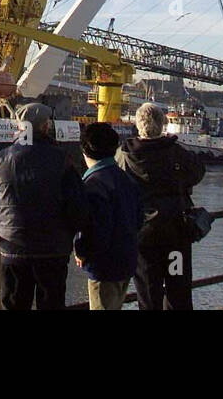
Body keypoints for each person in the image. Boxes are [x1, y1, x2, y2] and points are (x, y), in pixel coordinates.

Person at [0, 102, 88, 310]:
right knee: (51, 302)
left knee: (14, 303)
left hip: (12, 247)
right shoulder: (62, 159)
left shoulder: (1, 159)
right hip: (52, 249)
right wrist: (76, 240)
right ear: (44, 126)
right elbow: (77, 206)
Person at [117, 102, 206, 310]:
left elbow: (117, 187)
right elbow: (198, 172)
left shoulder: (124, 156)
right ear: (163, 124)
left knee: (148, 292)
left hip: (143, 235)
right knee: (178, 290)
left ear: (138, 125)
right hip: (176, 232)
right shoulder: (176, 153)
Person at [74, 121, 142, 310]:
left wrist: (81, 250)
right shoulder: (126, 179)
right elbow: (138, 219)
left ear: (85, 151)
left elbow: (95, 228)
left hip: (103, 266)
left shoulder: (93, 185)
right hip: (126, 260)